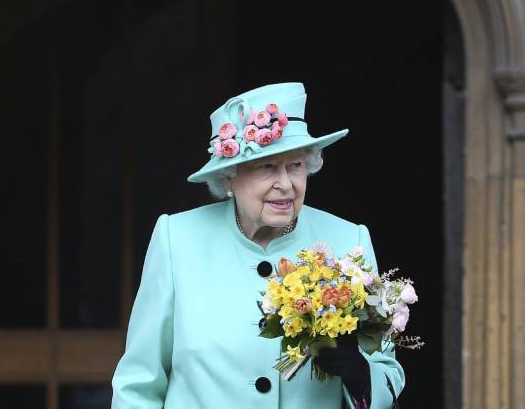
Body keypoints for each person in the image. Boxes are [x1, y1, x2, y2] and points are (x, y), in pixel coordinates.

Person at [112, 82, 404, 408]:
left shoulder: (348, 241)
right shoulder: (177, 239)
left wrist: (359, 374)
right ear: (228, 177)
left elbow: (387, 374)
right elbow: (139, 384)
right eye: (267, 167)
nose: (286, 184)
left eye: (295, 165)